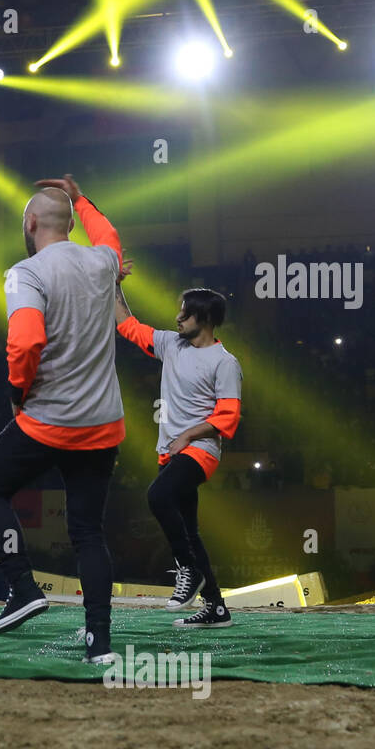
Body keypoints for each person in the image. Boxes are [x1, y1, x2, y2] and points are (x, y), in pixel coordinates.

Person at [0, 172, 124, 664]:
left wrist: (17, 391)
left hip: (47, 421)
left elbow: (26, 341)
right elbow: (110, 238)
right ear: (71, 222)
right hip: (102, 424)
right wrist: (83, 199)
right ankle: (98, 641)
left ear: (31, 221)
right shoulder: (104, 263)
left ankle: (22, 585)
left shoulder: (26, 271)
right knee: (88, 533)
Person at [115, 267, 242, 628]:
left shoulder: (224, 362)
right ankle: (216, 607)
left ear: (203, 317)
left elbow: (229, 416)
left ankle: (187, 571)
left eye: (184, 312)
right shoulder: (171, 344)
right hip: (170, 451)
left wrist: (188, 435)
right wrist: (113, 285)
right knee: (189, 530)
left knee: (157, 498)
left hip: (201, 451)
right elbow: (127, 324)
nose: (177, 317)